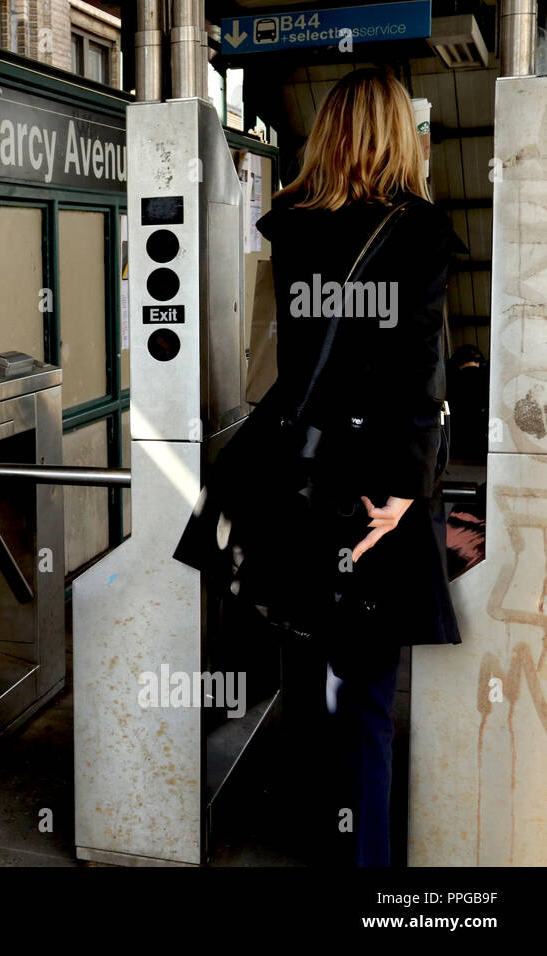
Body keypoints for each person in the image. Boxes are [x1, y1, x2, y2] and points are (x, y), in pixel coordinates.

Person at [254, 67, 463, 866]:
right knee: (366, 710)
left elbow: (306, 363)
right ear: (395, 136)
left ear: (330, 134)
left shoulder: (292, 227)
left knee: (311, 695)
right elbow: (418, 375)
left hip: (302, 482)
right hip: (375, 493)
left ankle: (320, 843)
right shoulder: (417, 233)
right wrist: (409, 494)